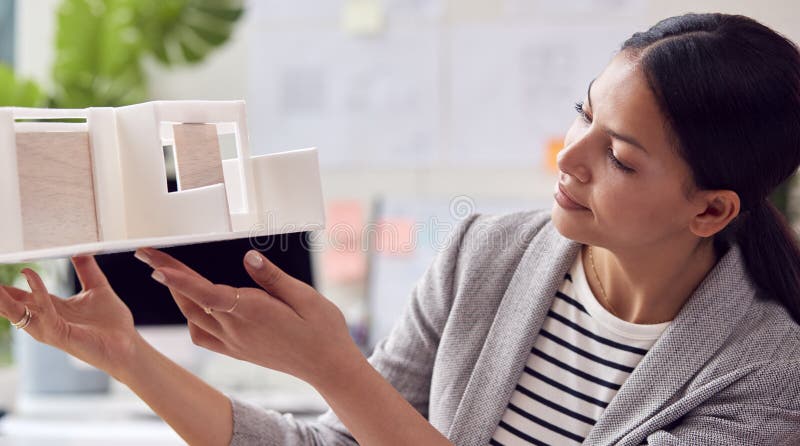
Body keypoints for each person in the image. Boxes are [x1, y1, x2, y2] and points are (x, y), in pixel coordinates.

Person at [2, 11, 800, 445]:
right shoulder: (486, 254)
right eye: (582, 114)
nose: (573, 156)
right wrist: (127, 357)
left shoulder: (767, 374)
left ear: (710, 209)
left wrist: (334, 369)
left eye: (620, 157)